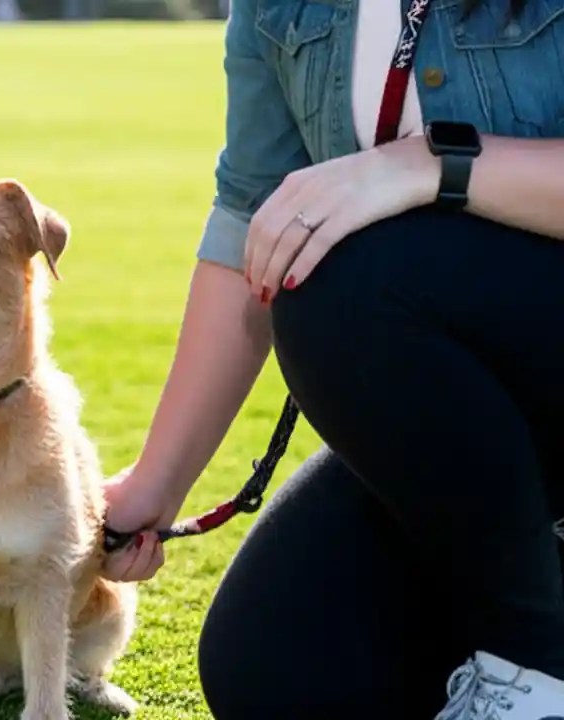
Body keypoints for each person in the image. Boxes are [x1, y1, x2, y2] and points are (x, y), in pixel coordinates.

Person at [98, 0, 564, 717]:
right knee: (272, 673)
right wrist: (152, 490)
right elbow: (255, 223)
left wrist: (427, 165)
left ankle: (537, 666)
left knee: (345, 273)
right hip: (465, 417)